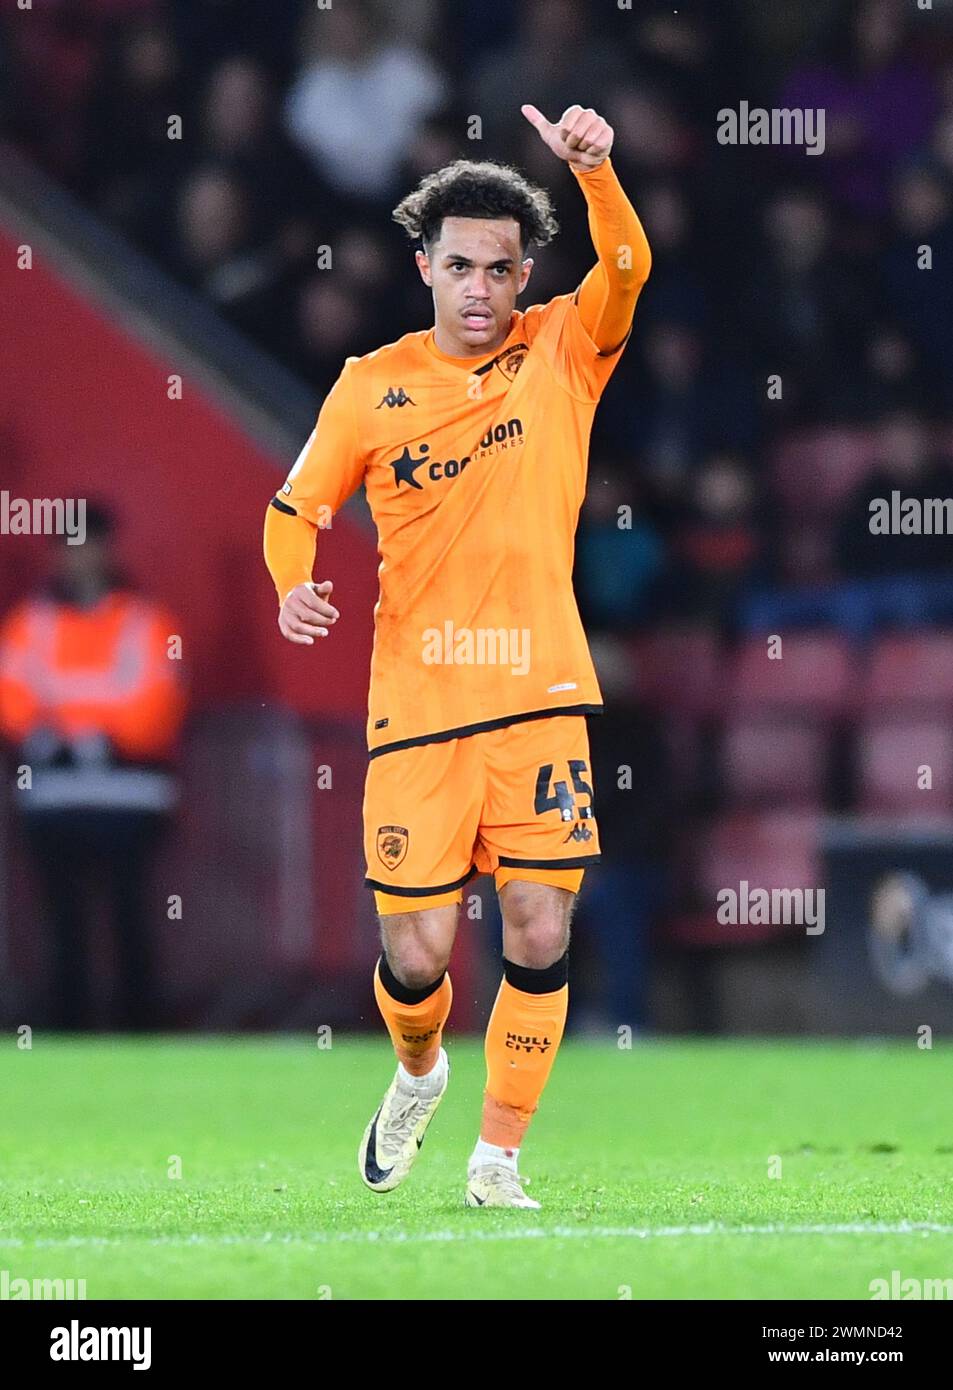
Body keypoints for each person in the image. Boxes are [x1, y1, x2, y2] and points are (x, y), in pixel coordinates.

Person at [263, 104, 651, 1207]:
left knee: (537, 920)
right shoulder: (367, 385)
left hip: (536, 694)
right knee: (420, 952)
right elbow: (293, 508)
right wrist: (293, 583)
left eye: (501, 269)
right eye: (461, 266)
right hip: (419, 704)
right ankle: (418, 1070)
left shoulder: (564, 352)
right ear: (424, 266)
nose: (481, 287)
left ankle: (497, 1160)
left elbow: (626, 263)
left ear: (525, 276)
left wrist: (596, 174)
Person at [0, 504, 186, 1029]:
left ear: (108, 548)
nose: (81, 557)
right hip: (54, 798)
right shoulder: (28, 624)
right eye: (71, 546)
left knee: (131, 915)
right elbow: (12, 700)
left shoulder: (145, 622)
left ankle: (138, 1026)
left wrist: (71, 730)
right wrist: (90, 733)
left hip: (129, 797)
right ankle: (66, 1025)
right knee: (61, 921)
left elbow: (157, 702)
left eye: (90, 544)